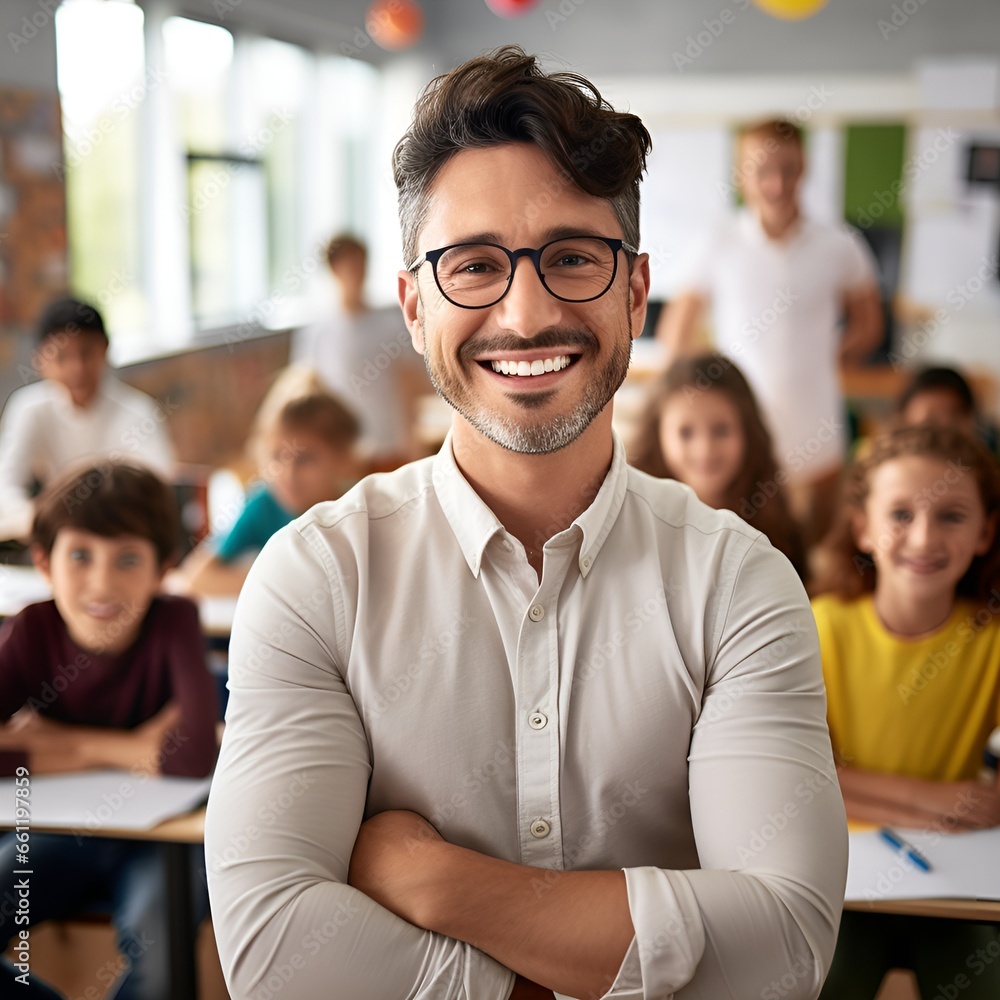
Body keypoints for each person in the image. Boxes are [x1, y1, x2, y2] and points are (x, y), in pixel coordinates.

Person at [206, 46, 847, 1000]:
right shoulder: (316, 578)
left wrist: (435, 882)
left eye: (573, 259)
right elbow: (273, 952)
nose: (527, 310)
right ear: (416, 307)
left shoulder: (740, 584)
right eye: (474, 267)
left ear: (635, 294)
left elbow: (785, 945)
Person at [0, 461, 218, 999]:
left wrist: (46, 743)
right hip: (53, 833)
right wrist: (128, 749)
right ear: (44, 563)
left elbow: (193, 758)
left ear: (163, 567)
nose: (102, 583)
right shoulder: (31, 630)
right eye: (80, 556)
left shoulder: (175, 622)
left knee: (159, 954)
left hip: (161, 843)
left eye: (127, 559)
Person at [810, 423, 1000, 999]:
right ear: (862, 527)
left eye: (951, 515)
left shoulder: (990, 641)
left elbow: (830, 782)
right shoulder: (818, 626)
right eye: (900, 515)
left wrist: (852, 788)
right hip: (839, 888)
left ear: (986, 531)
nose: (923, 538)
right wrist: (943, 802)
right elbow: (802, 784)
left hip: (956, 891)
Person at [657, 118, 883, 545]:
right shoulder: (718, 242)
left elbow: (869, 325)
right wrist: (705, 389)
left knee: (817, 545)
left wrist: (820, 361)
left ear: (805, 169)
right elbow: (676, 331)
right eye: (763, 171)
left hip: (816, 417)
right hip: (739, 424)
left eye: (789, 169)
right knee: (740, 542)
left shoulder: (839, 244)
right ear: (743, 174)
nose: (777, 184)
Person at [0, 296, 175, 544]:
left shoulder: (137, 411)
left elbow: (157, 482)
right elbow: (6, 486)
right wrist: (39, 519)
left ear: (105, 349)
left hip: (119, 532)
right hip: (54, 533)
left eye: (87, 353)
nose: (77, 368)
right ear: (40, 360)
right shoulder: (29, 409)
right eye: (62, 357)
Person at [177, 367, 362, 597]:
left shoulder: (355, 507)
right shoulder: (262, 504)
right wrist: (280, 581)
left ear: (342, 459)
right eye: (277, 457)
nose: (288, 473)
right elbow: (198, 576)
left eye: (305, 458)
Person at [630, 353, 806, 578]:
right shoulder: (633, 522)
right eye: (686, 432)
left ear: (748, 431)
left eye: (721, 430)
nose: (705, 450)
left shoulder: (782, 532)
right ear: (658, 435)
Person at [291, 232, 430, 467]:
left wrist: (413, 439)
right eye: (348, 265)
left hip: (390, 447)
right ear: (334, 269)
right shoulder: (316, 334)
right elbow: (308, 395)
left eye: (360, 264)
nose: (356, 272)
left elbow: (410, 386)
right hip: (343, 453)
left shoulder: (391, 325)